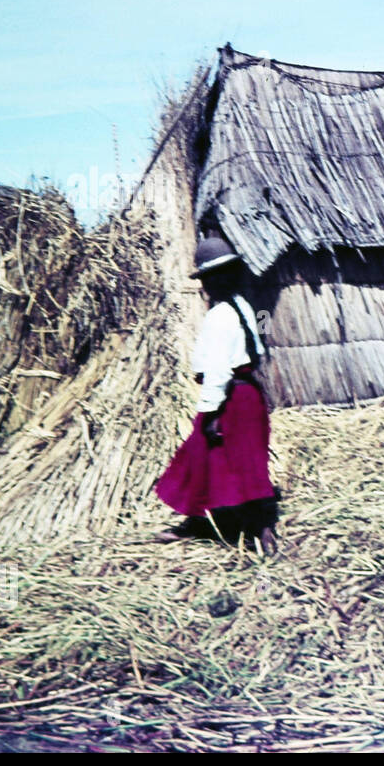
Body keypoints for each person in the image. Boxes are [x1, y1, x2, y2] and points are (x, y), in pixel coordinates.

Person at [154, 236, 278, 554]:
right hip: (250, 396)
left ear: (213, 281)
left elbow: (219, 371)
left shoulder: (219, 316)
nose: (210, 284)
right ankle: (257, 529)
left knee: (199, 456)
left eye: (211, 278)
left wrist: (210, 413)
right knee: (247, 464)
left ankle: (208, 525)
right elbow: (257, 353)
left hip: (231, 400)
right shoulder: (243, 307)